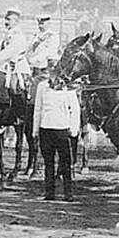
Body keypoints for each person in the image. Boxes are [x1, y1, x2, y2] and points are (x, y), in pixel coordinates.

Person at [32, 70, 82, 200]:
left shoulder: (68, 87)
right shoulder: (42, 86)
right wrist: (35, 130)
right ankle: (49, 193)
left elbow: (75, 110)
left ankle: (68, 193)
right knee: (48, 163)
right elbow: (38, 108)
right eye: (52, 71)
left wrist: (74, 129)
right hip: (45, 128)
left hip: (62, 129)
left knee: (65, 163)